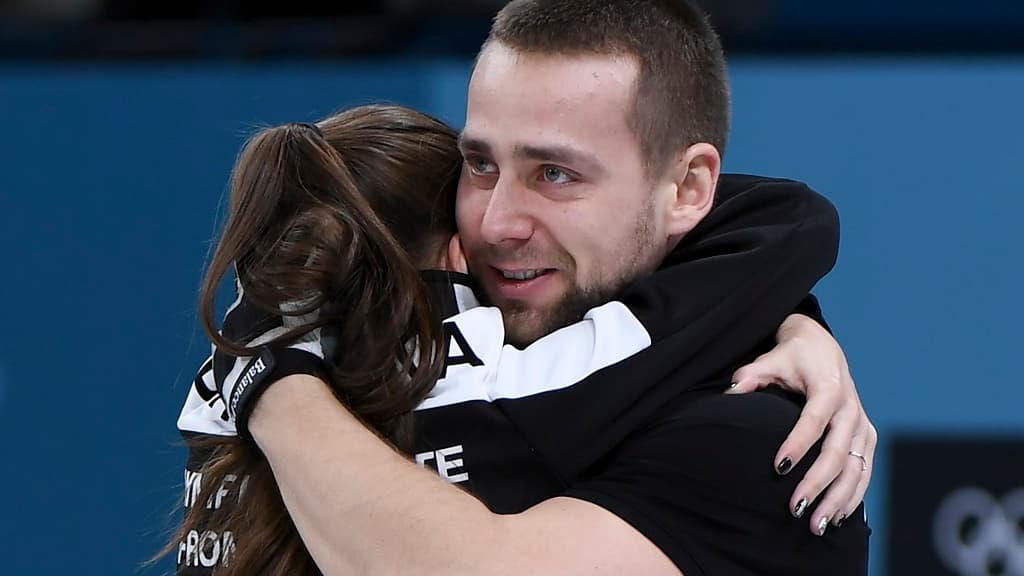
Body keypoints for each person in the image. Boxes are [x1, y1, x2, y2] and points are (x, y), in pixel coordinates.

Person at [176, 1, 874, 573]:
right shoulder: (354, 378)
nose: (497, 220)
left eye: (555, 174)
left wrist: (267, 378)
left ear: (689, 188)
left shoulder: (754, 442)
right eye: (479, 164)